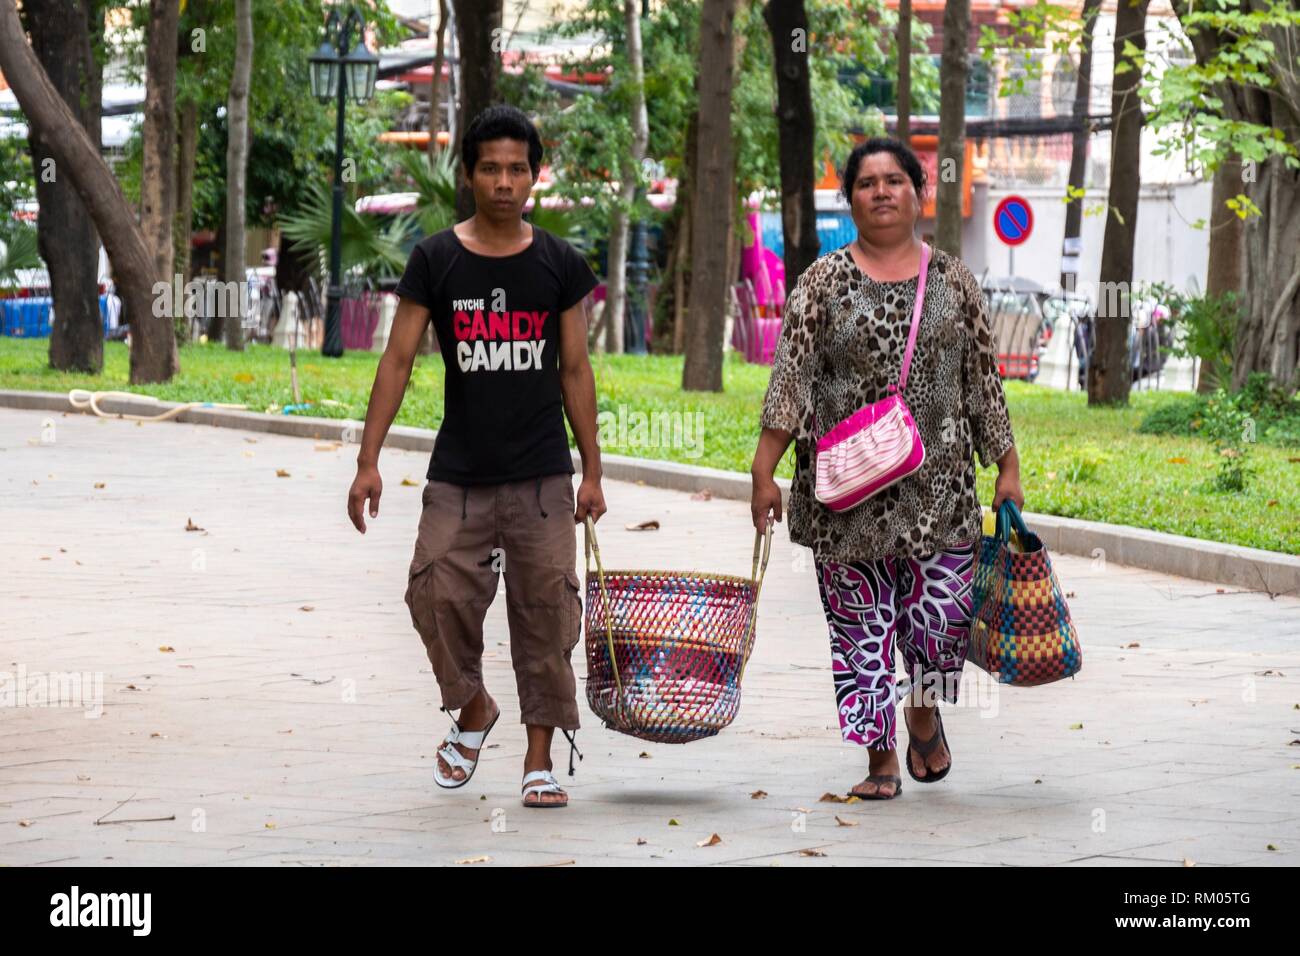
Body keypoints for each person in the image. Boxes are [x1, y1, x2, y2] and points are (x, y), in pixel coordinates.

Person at [347, 105, 606, 809]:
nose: (503, 181)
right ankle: (471, 707)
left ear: (534, 176)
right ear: (469, 175)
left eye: (517, 168)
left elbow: (575, 372)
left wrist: (593, 469)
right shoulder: (437, 258)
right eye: (490, 167)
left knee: (546, 612)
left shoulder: (558, 263)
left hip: (544, 475)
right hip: (458, 473)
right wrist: (368, 460)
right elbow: (398, 360)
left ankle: (539, 760)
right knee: (434, 592)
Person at [749, 137, 1023, 800]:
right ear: (851, 199)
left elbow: (983, 379)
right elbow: (792, 378)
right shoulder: (823, 281)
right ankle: (878, 757)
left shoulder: (954, 280)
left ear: (917, 193)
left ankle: (922, 710)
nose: (880, 191)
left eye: (894, 180)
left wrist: (1007, 465)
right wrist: (764, 470)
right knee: (859, 629)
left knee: (939, 621)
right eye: (867, 182)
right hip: (846, 495)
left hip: (943, 492)